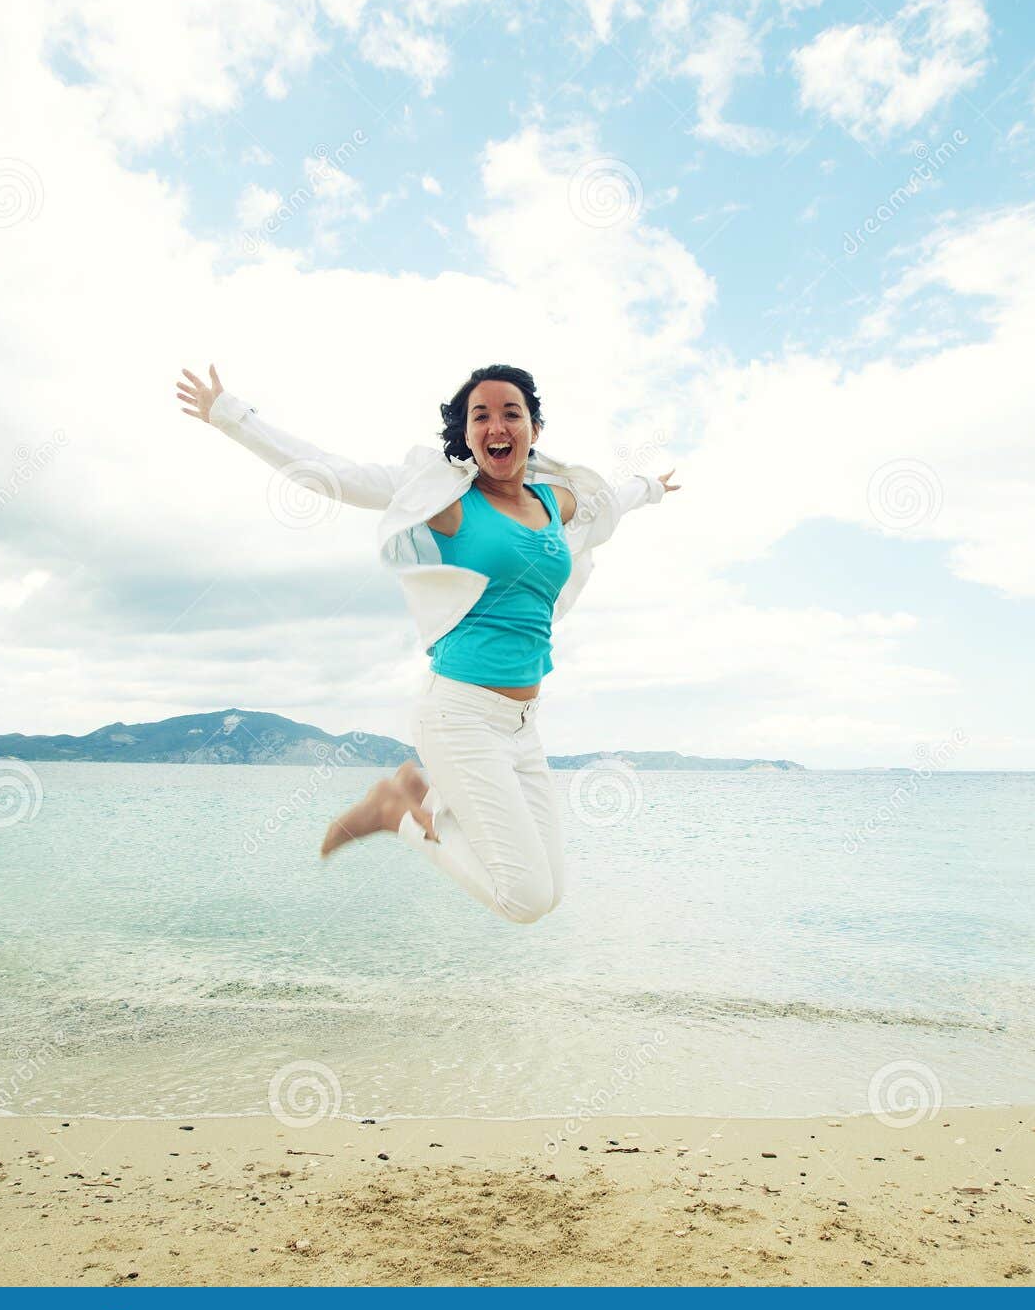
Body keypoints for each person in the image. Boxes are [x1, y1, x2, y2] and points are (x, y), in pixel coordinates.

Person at [175, 362, 679, 923]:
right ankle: (398, 812)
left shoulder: (553, 503)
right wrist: (231, 416)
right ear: (465, 435)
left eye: (510, 413)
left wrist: (651, 488)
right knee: (526, 900)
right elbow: (330, 473)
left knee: (553, 891)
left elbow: (609, 501)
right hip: (459, 716)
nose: (496, 426)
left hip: (522, 727)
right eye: (479, 415)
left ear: (533, 429)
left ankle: (425, 794)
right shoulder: (447, 502)